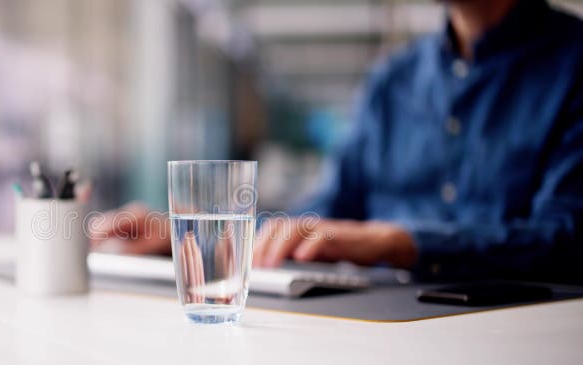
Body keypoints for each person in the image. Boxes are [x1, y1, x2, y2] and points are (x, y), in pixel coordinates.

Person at [93, 0, 583, 281]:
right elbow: (318, 217)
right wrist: (192, 235)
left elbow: (566, 236)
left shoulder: (573, 62)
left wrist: (400, 240)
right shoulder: (393, 81)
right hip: (381, 336)